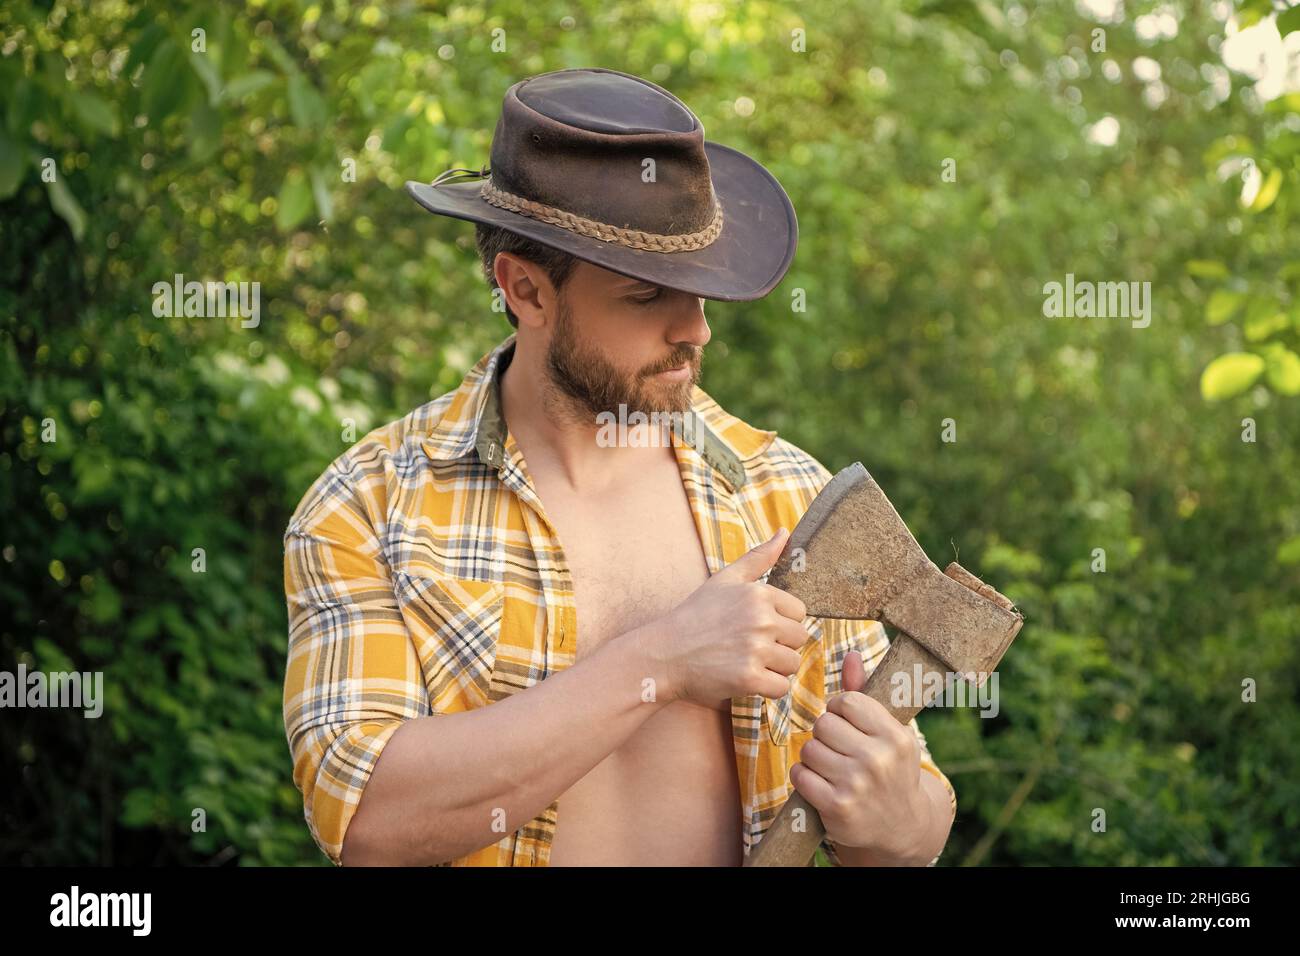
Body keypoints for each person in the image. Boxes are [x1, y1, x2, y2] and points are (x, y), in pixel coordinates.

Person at [282, 67, 955, 866]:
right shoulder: (368, 505)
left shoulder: (789, 497)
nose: (695, 331)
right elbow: (366, 818)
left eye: (701, 293)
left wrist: (896, 816)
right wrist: (662, 661)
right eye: (646, 297)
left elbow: (916, 820)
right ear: (526, 290)